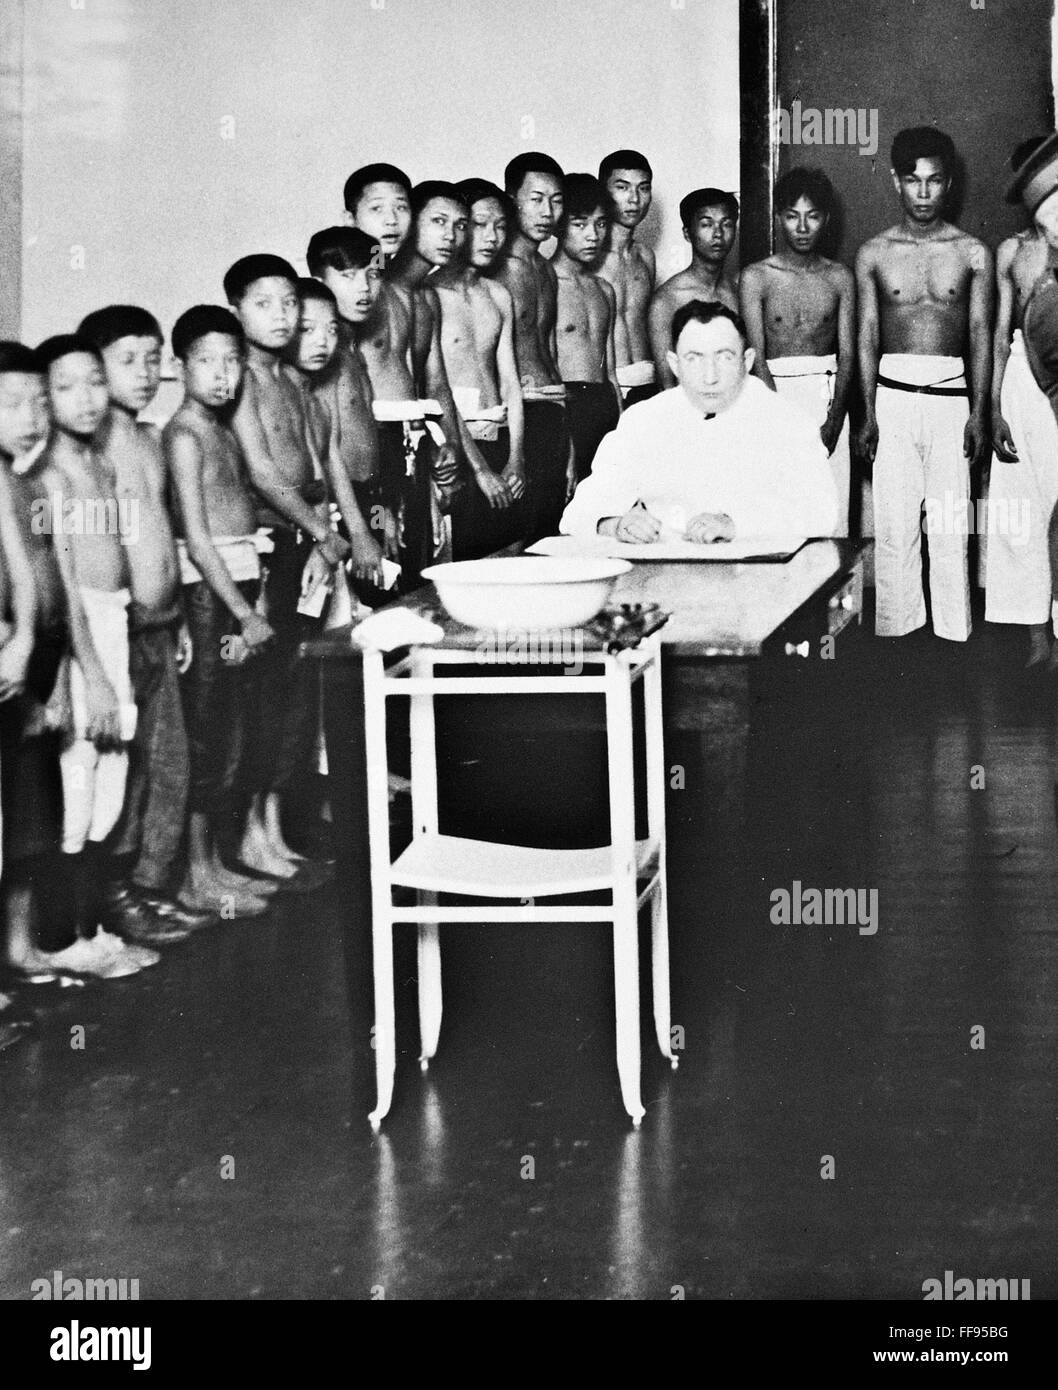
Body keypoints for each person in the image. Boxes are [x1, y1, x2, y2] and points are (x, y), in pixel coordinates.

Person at [78, 306, 214, 939]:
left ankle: (151, 888)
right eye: (127, 359)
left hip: (162, 624)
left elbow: (165, 534)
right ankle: (114, 895)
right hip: (121, 632)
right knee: (121, 773)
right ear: (96, 368)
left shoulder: (151, 436)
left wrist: (179, 615)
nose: (145, 372)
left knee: (170, 765)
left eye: (153, 358)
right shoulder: (92, 444)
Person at [224, 254, 343, 883]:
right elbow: (263, 472)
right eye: (265, 304)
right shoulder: (242, 378)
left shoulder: (294, 382)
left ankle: (273, 829)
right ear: (238, 309)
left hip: (306, 546)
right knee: (262, 694)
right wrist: (322, 529)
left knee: (297, 688)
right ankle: (248, 835)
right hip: (271, 549)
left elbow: (317, 466)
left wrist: (325, 532)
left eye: (289, 303)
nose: (281, 316)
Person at [35, 334, 150, 977]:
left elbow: (114, 565)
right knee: (76, 785)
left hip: (114, 623)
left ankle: (93, 928)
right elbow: (68, 588)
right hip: (80, 643)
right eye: (66, 386)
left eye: (93, 382)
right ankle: (63, 941)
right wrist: (97, 678)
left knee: (111, 778)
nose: (86, 399)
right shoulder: (49, 472)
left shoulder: (98, 461)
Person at [856, 126, 993, 642]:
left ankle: (954, 638)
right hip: (892, 393)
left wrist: (979, 411)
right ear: (896, 181)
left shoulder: (972, 252)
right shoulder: (874, 252)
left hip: (950, 396)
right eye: (913, 181)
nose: (923, 193)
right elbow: (868, 334)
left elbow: (979, 334)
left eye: (934, 181)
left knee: (951, 527)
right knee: (893, 527)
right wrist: (866, 413)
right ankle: (898, 637)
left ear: (949, 183)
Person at [165, 306, 277, 917]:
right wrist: (243, 610)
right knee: (206, 729)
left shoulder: (223, 429)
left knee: (231, 720)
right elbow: (199, 539)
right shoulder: (183, 436)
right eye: (206, 361)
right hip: (211, 604)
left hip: (236, 599)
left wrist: (252, 602)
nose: (221, 374)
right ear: (179, 367)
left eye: (232, 361)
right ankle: (194, 875)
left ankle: (217, 864)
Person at [561, 301, 838, 541]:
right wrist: (615, 525)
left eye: (725, 357)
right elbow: (579, 512)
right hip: (667, 580)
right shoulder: (645, 420)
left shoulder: (786, 421)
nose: (710, 376)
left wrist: (737, 524)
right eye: (694, 359)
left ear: (748, 360)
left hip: (761, 578)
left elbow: (822, 513)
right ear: (674, 364)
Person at [343, 165, 463, 579]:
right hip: (368, 460)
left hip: (412, 450)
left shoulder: (414, 297)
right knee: (376, 586)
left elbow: (429, 386)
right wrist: (374, 503)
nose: (391, 221)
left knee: (415, 577)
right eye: (377, 209)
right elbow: (340, 411)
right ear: (350, 219)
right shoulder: (348, 299)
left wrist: (443, 445)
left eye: (401, 208)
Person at [0, 342, 75, 991]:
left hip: (31, 671)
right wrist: (19, 637)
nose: (31, 415)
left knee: (28, 819)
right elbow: (20, 577)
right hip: (12, 663)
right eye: (12, 403)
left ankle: (21, 951)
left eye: (37, 401)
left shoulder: (24, 478)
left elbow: (47, 571)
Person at [740, 168, 855, 536]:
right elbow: (755, 355)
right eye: (792, 216)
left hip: (826, 395)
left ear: (826, 219)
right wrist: (777, 420)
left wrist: (835, 418)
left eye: (813, 216)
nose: (802, 227)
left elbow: (849, 354)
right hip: (774, 395)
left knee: (831, 513)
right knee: (779, 516)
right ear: (779, 218)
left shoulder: (839, 277)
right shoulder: (757, 277)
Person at [424, 179, 527, 557]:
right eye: (480, 225)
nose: (491, 237)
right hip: (457, 446)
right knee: (461, 567)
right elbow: (439, 391)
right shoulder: (430, 296)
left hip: (500, 438)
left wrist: (516, 457)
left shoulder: (498, 295)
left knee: (512, 554)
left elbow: (512, 384)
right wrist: (479, 469)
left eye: (501, 227)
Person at [495, 152, 572, 539]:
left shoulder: (545, 268)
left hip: (554, 411)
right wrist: (514, 450)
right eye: (536, 199)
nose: (547, 211)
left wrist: (568, 441)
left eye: (556, 201)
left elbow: (551, 351)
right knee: (516, 540)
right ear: (513, 201)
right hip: (518, 417)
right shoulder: (497, 270)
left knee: (551, 536)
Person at [1002, 132, 1058, 667]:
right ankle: (1038, 632)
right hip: (1023, 387)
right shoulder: (1016, 257)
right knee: (1030, 505)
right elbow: (1000, 331)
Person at [290, 277, 384, 592]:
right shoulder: (266, 397)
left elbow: (329, 464)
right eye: (307, 329)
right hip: (294, 534)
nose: (322, 342)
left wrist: (357, 532)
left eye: (331, 330)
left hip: (322, 530)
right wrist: (328, 539)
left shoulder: (316, 401)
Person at [552, 173, 621, 481]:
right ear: (558, 224)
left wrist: (621, 430)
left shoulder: (604, 290)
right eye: (579, 224)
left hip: (603, 404)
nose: (593, 235)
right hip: (566, 405)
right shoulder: (546, 285)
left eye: (601, 223)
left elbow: (611, 374)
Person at [649, 189, 740, 389]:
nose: (718, 234)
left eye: (726, 224)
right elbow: (667, 383)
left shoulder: (738, 294)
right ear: (687, 233)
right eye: (706, 224)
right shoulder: (667, 300)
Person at [597, 150, 657, 404]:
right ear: (603, 191)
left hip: (647, 378)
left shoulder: (645, 256)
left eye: (643, 188)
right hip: (607, 384)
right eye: (622, 188)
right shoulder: (589, 258)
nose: (634, 199)